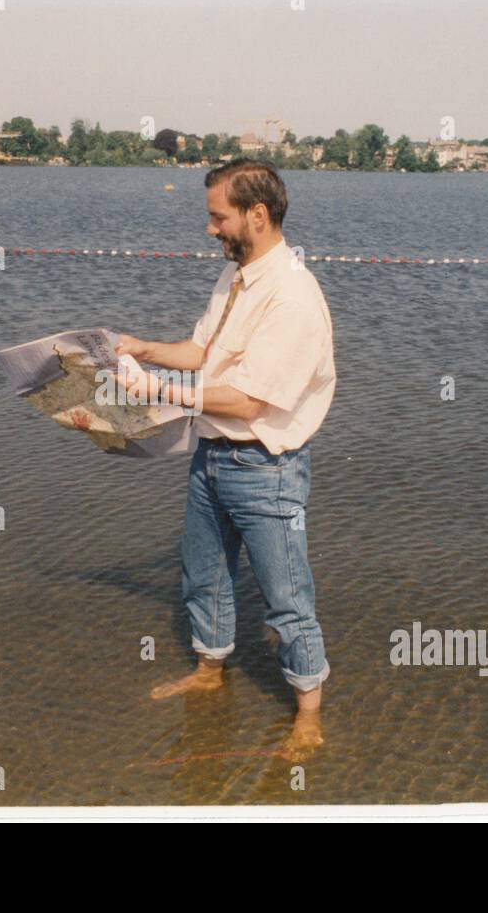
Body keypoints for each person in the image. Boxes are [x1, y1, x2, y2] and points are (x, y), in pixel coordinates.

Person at [116, 157, 336, 758]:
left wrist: (154, 390)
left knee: (287, 601)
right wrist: (144, 349)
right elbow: (202, 351)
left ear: (256, 216)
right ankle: (211, 672)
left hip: (267, 470)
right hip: (210, 457)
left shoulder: (293, 297)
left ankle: (309, 713)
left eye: (219, 217)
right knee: (203, 576)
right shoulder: (237, 276)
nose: (210, 229)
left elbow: (247, 399)